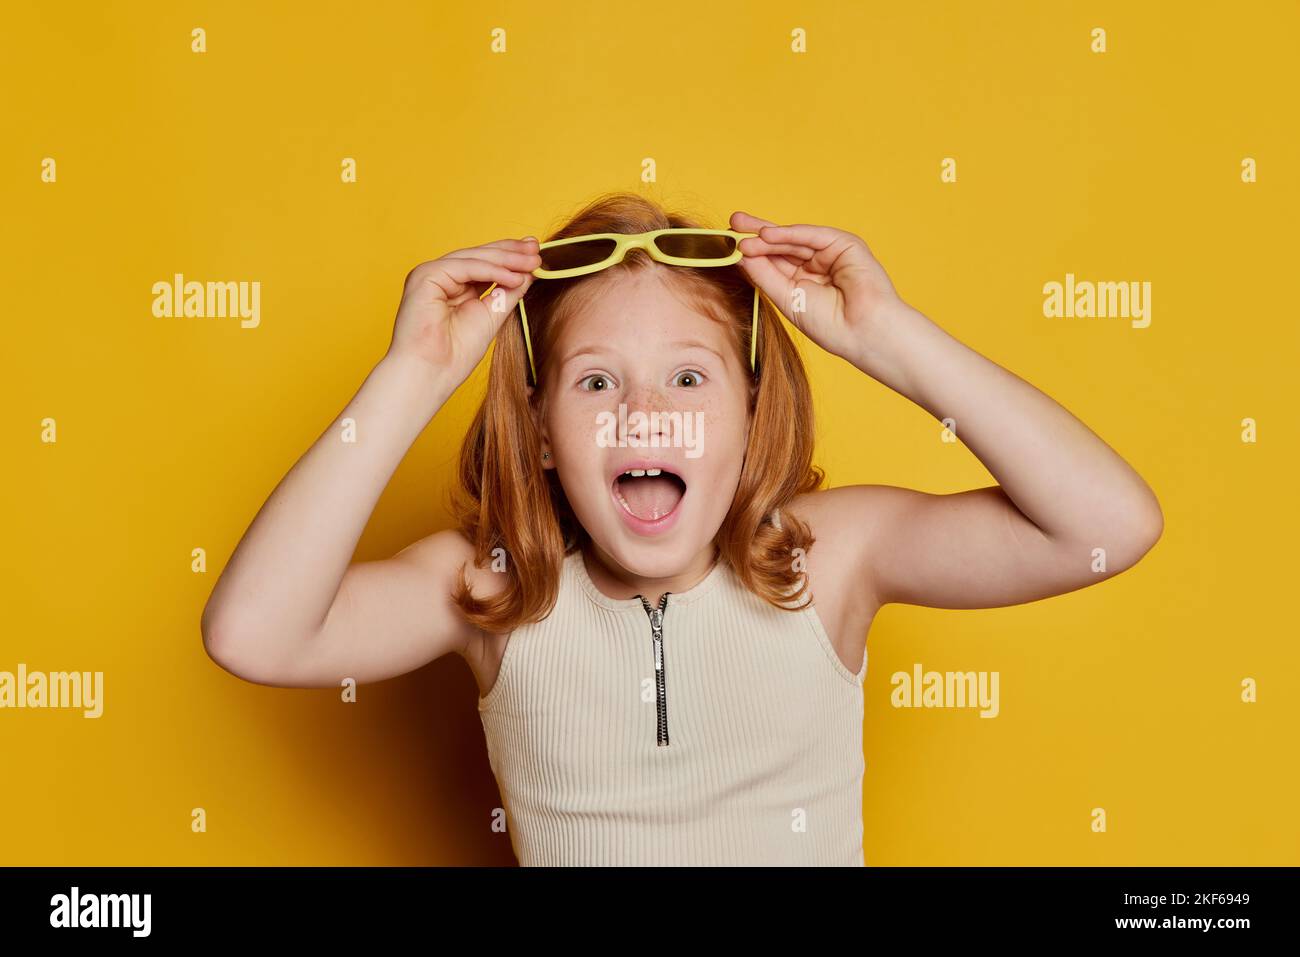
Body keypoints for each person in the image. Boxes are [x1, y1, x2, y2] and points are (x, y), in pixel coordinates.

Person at [201, 191, 1163, 866]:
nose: (643, 413)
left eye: (691, 377)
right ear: (538, 431)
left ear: (752, 415)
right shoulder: (492, 588)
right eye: (596, 381)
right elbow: (254, 632)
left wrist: (886, 337)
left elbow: (1105, 524)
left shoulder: (832, 558)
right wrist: (410, 374)